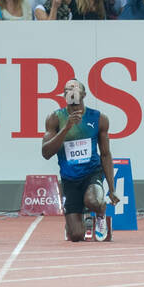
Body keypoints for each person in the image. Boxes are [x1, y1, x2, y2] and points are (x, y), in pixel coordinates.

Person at [42, 78, 119, 242]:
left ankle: (100, 214)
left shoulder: (98, 118)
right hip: (70, 178)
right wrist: (67, 128)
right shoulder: (55, 119)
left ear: (84, 94)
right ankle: (75, 221)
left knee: (92, 200)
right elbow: (46, 152)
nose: (72, 92)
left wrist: (111, 189)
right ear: (64, 95)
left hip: (92, 172)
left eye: (75, 89)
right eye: (68, 89)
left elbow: (105, 154)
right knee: (76, 236)